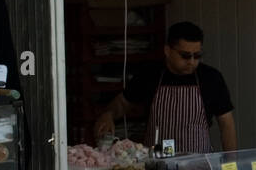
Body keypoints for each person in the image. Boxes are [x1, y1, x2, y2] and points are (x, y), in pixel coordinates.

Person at [95, 21, 236, 153]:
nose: (192, 62)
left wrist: (231, 165)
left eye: (197, 55)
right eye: (185, 56)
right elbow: (122, 103)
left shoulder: (211, 78)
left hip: (199, 164)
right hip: (156, 164)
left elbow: (227, 124)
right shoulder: (150, 74)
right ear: (167, 51)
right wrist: (109, 114)